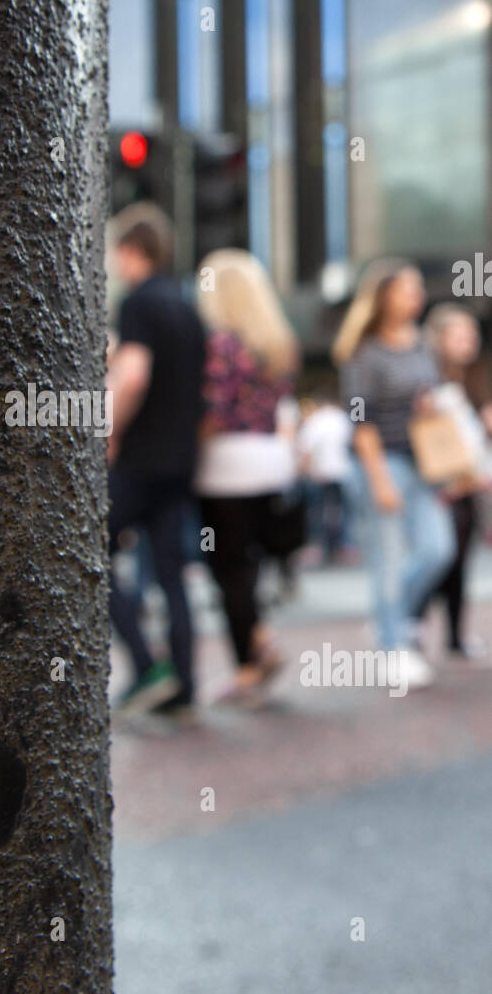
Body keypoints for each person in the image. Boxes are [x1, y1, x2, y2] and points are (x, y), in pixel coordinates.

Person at [333, 261, 456, 687]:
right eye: (407, 288)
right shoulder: (364, 352)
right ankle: (392, 645)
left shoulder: (422, 343)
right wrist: (379, 478)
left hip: (420, 461)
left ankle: (390, 616)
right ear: (384, 296)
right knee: (387, 560)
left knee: (438, 548)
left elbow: (431, 394)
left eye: (418, 288)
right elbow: (359, 417)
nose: (416, 295)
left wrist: (428, 408)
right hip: (379, 461)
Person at [107, 210, 205, 717]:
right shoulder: (187, 307)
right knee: (173, 575)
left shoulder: (138, 303)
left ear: (131, 250)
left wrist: (111, 432)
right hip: (180, 462)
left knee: (90, 553)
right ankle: (184, 684)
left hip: (141, 459)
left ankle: (147, 666)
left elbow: (134, 377)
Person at [194, 249, 300, 706]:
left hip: (226, 467)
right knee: (247, 565)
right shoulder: (276, 343)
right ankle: (257, 641)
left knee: (228, 568)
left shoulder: (221, 345)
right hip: (269, 461)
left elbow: (214, 413)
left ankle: (247, 666)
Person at [416, 305, 492, 658]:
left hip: (471, 481)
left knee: (460, 558)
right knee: (441, 554)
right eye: (460, 335)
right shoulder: (427, 380)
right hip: (441, 483)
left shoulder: (472, 378)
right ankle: (407, 621)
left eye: (471, 335)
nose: (469, 342)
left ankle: (454, 635)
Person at [296, 393, 353, 564]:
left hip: (321, 473)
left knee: (317, 511)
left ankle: (317, 547)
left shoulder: (316, 420)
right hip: (345, 472)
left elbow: (306, 448)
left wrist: (305, 472)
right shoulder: (344, 418)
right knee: (343, 511)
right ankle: (346, 547)